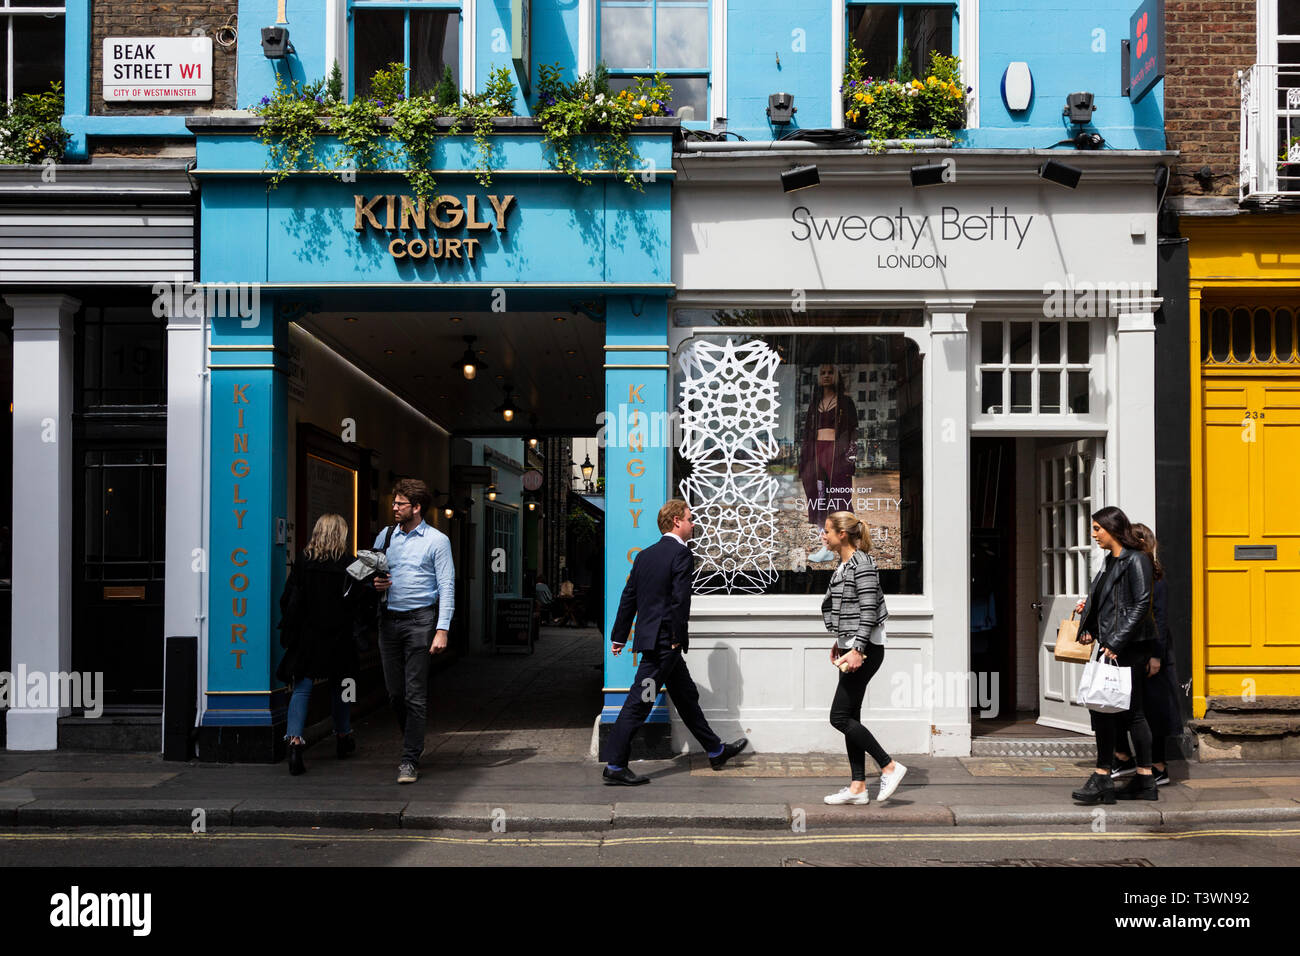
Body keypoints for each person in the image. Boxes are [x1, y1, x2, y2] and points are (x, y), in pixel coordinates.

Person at [602, 499, 748, 784]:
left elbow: (628, 597)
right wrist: (676, 637)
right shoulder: (681, 555)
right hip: (665, 643)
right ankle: (616, 765)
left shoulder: (644, 556)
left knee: (685, 696)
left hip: (656, 640)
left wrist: (619, 636)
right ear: (676, 522)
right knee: (639, 701)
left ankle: (715, 750)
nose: (693, 524)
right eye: (690, 519)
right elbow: (681, 600)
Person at [1070, 506, 1158, 805]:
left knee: (1121, 713)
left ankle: (1103, 776)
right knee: (1115, 711)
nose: (1094, 534)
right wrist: (1090, 627)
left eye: (1098, 529)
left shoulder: (1136, 560)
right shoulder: (1112, 561)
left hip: (1126, 647)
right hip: (1112, 644)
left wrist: (1118, 641)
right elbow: (1108, 602)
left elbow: (1141, 604)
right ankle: (1143, 780)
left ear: (1112, 528)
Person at [819, 510, 908, 805]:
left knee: (839, 717)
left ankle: (889, 766)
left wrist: (857, 649)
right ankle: (858, 786)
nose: (824, 535)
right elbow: (851, 609)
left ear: (842, 534)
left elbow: (869, 610)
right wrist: (841, 643)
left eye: (827, 531)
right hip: (852, 646)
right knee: (850, 716)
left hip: (866, 649)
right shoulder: (845, 563)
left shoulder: (862, 564)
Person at [372, 479, 455, 785]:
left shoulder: (437, 541)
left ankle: (409, 758)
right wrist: (376, 584)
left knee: (415, 694)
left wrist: (442, 628)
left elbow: (447, 586)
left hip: (421, 620)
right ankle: (414, 738)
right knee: (395, 694)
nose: (394, 507)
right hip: (388, 620)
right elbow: (375, 572)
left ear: (416, 507)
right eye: (394, 503)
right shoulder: (386, 535)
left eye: (400, 503)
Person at [276, 513, 362, 776]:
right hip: (339, 636)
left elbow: (288, 598)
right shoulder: (351, 563)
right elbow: (359, 601)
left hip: (308, 635)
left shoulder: (303, 561)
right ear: (342, 535)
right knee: (341, 688)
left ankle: (294, 742)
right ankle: (343, 736)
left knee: (301, 688)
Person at [1110, 523, 1182, 787]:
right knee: (1119, 706)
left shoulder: (1154, 576)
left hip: (1151, 652)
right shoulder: (1128, 570)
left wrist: (1156, 656)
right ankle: (1125, 757)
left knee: (1153, 712)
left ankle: (1158, 767)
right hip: (1133, 650)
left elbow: (1159, 620)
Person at [801, 364, 858, 563]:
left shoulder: (846, 402)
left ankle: (848, 549)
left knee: (840, 500)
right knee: (820, 501)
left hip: (837, 456)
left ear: (837, 376)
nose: (826, 376)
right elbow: (807, 434)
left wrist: (850, 460)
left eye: (830, 372)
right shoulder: (814, 404)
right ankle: (825, 547)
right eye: (822, 373)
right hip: (817, 455)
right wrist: (805, 462)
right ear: (818, 378)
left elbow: (853, 434)